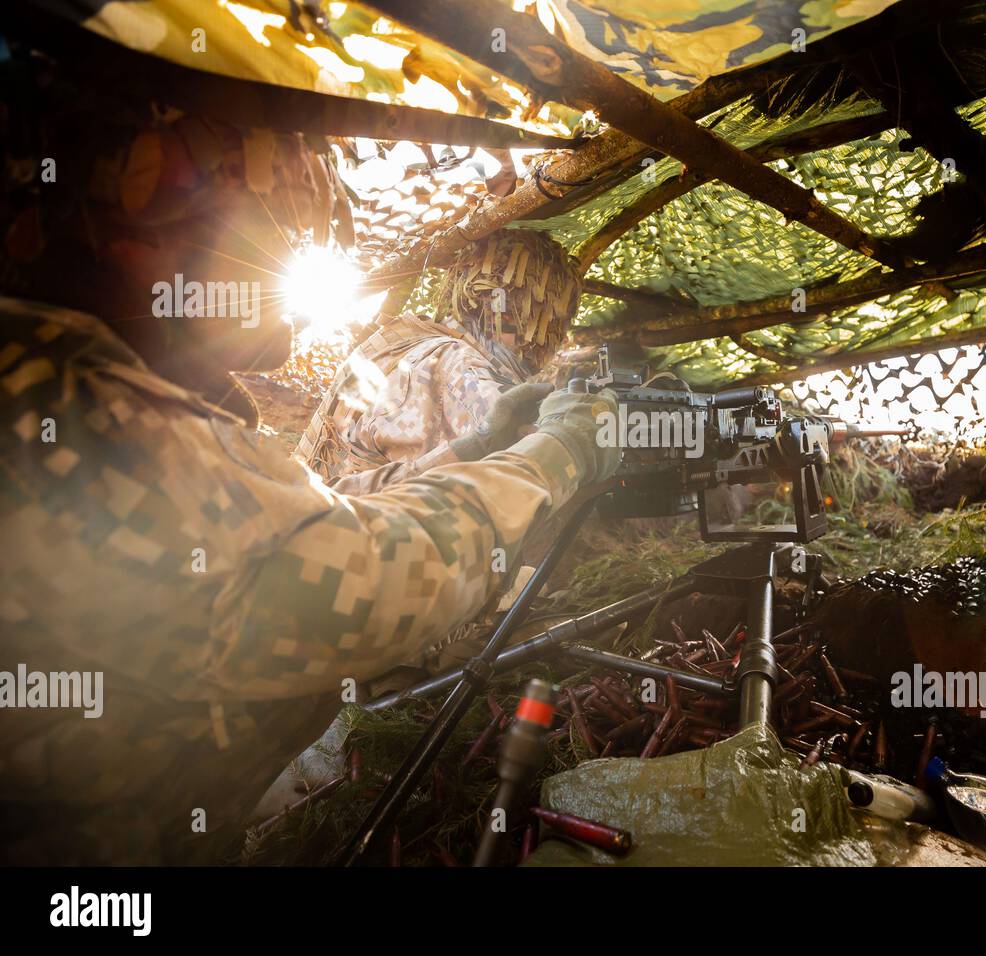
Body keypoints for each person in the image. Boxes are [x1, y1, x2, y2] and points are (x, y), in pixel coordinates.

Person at [0, 29, 617, 864]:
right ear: (123, 226)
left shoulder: (77, 377)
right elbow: (350, 578)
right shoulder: (68, 399)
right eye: (247, 224)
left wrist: (471, 447)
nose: (276, 272)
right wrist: (558, 457)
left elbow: (314, 511)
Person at [297, 230, 584, 495]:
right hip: (361, 535)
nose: (556, 337)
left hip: (317, 520)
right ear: (507, 313)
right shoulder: (457, 364)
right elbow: (525, 464)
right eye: (556, 320)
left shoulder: (410, 341)